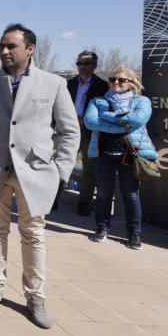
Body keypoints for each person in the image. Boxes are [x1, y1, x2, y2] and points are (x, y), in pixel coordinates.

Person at [0, 23, 79, 329]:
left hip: (37, 173)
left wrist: (61, 171)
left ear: (30, 49)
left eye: (11, 46)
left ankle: (35, 298)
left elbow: (69, 131)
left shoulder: (53, 84)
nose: (4, 51)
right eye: (2, 46)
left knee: (34, 236)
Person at [83, 66, 155, 250]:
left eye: (121, 80)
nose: (116, 82)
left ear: (131, 83)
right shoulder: (97, 101)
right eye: (113, 79)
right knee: (104, 193)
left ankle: (134, 232)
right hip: (103, 153)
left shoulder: (141, 101)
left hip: (130, 154)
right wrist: (122, 123)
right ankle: (102, 227)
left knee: (130, 195)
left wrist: (106, 117)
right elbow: (91, 122)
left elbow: (138, 120)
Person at [66, 51, 108, 216]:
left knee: (89, 170)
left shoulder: (103, 86)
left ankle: (84, 203)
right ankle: (51, 201)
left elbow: (106, 110)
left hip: (91, 133)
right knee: (60, 165)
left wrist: (85, 121)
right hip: (69, 130)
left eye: (87, 63)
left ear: (95, 66)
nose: (82, 66)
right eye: (79, 63)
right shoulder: (68, 85)